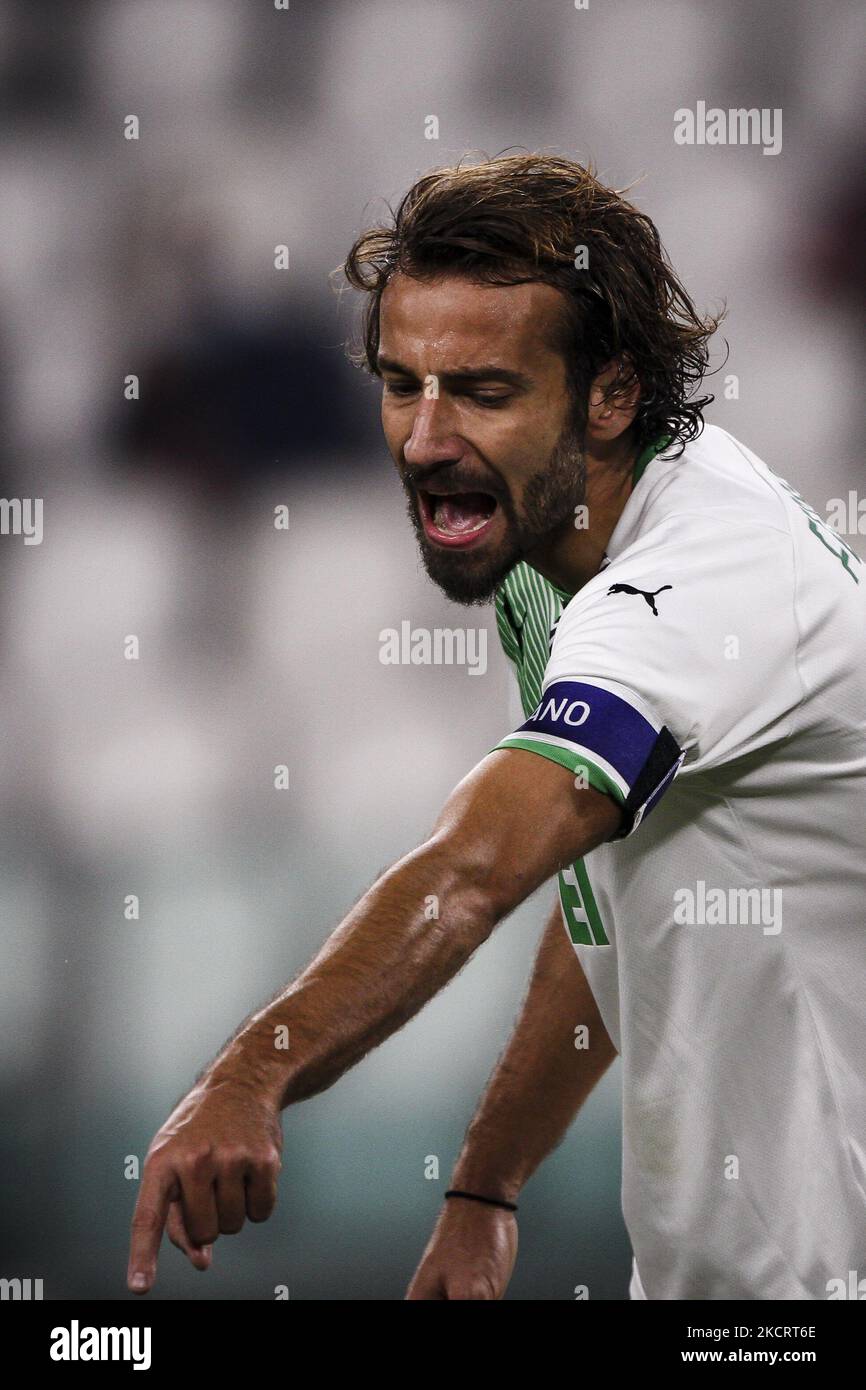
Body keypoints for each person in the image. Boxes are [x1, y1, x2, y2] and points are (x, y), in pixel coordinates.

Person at [127, 154, 866, 1300]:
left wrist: (248, 1074)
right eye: (399, 382)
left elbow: (477, 864)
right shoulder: (557, 548)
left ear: (610, 393)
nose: (423, 439)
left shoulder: (699, 580)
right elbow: (601, 885)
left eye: (480, 390)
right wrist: (484, 1189)